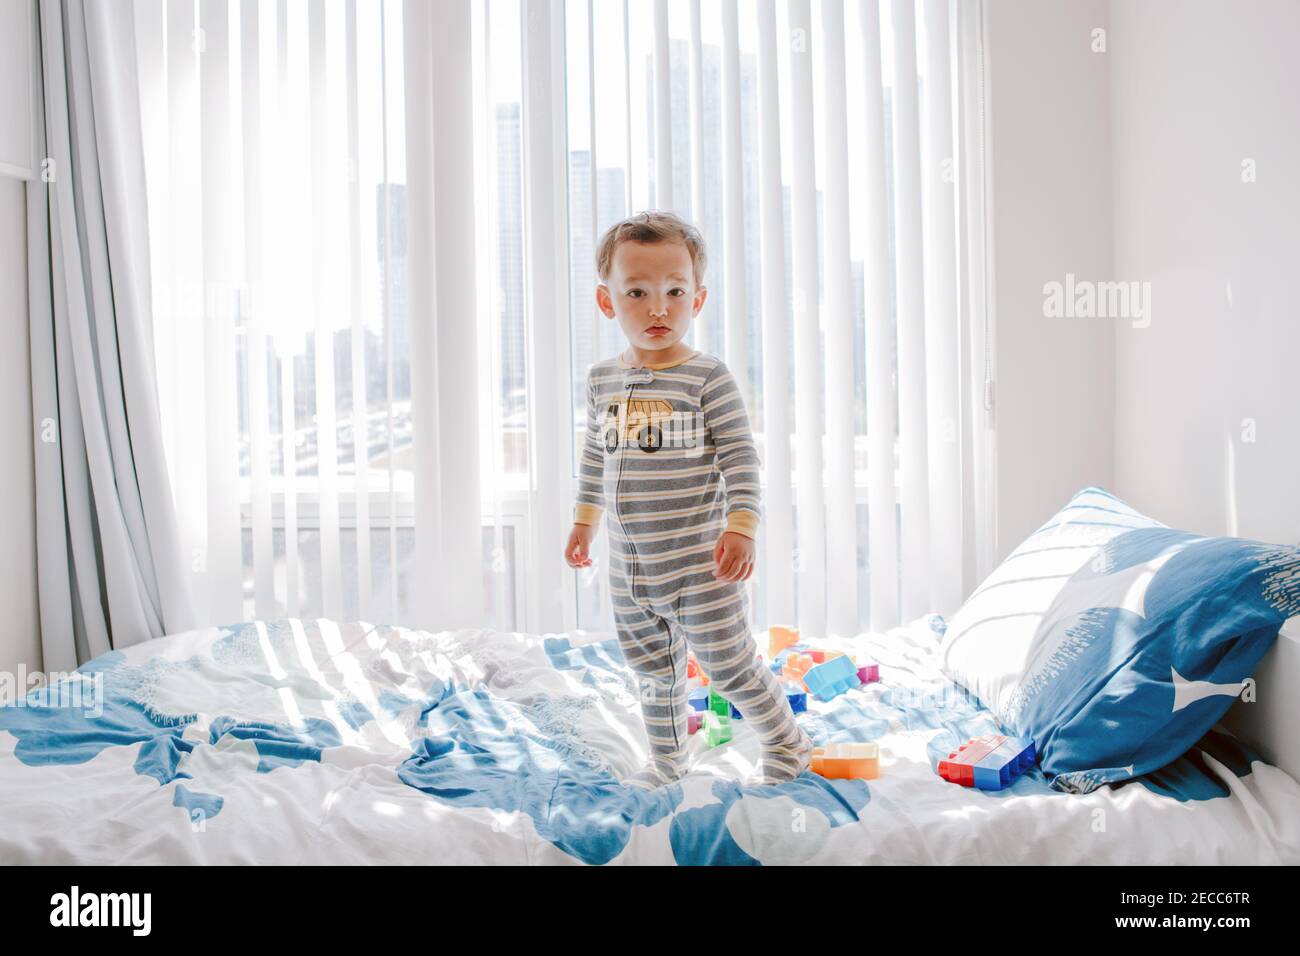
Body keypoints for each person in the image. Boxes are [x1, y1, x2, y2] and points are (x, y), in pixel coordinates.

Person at [562, 210, 813, 789]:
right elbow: (597, 456)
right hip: (631, 568)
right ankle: (668, 761)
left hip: (700, 561)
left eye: (675, 291)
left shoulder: (707, 378)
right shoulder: (603, 380)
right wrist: (584, 522)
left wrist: (742, 526)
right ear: (608, 302)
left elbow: (740, 459)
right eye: (638, 292)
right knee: (651, 668)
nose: (658, 308)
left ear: (697, 299)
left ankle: (787, 741)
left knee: (728, 663)